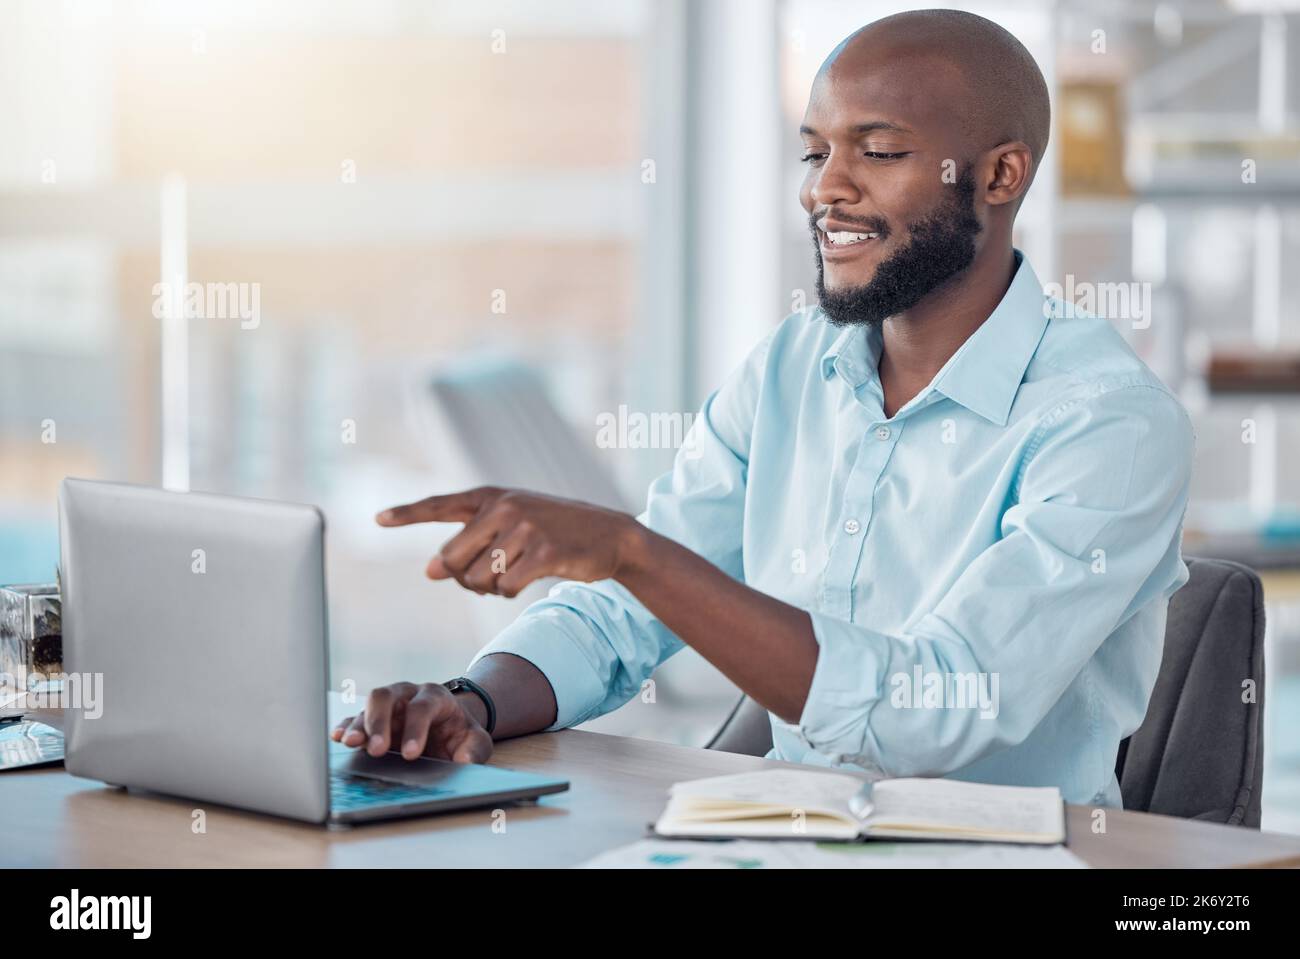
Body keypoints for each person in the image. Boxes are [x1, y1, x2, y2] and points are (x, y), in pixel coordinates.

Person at [332, 9, 1192, 807]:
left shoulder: (1107, 423)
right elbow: (623, 617)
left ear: (1000, 175)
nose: (826, 189)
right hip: (783, 836)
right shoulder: (791, 366)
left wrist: (630, 551)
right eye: (815, 152)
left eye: (879, 152)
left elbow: (934, 710)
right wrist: (471, 699)